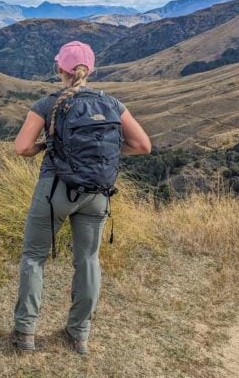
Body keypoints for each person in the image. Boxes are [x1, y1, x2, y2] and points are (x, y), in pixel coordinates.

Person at [10, 40, 151, 355]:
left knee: (34, 257)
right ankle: (78, 336)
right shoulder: (112, 103)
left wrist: (48, 146)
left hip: (55, 190)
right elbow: (143, 146)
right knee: (88, 260)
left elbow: (21, 148)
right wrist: (107, 150)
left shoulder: (47, 104)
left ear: (59, 69)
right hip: (98, 193)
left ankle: (25, 333)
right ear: (91, 69)